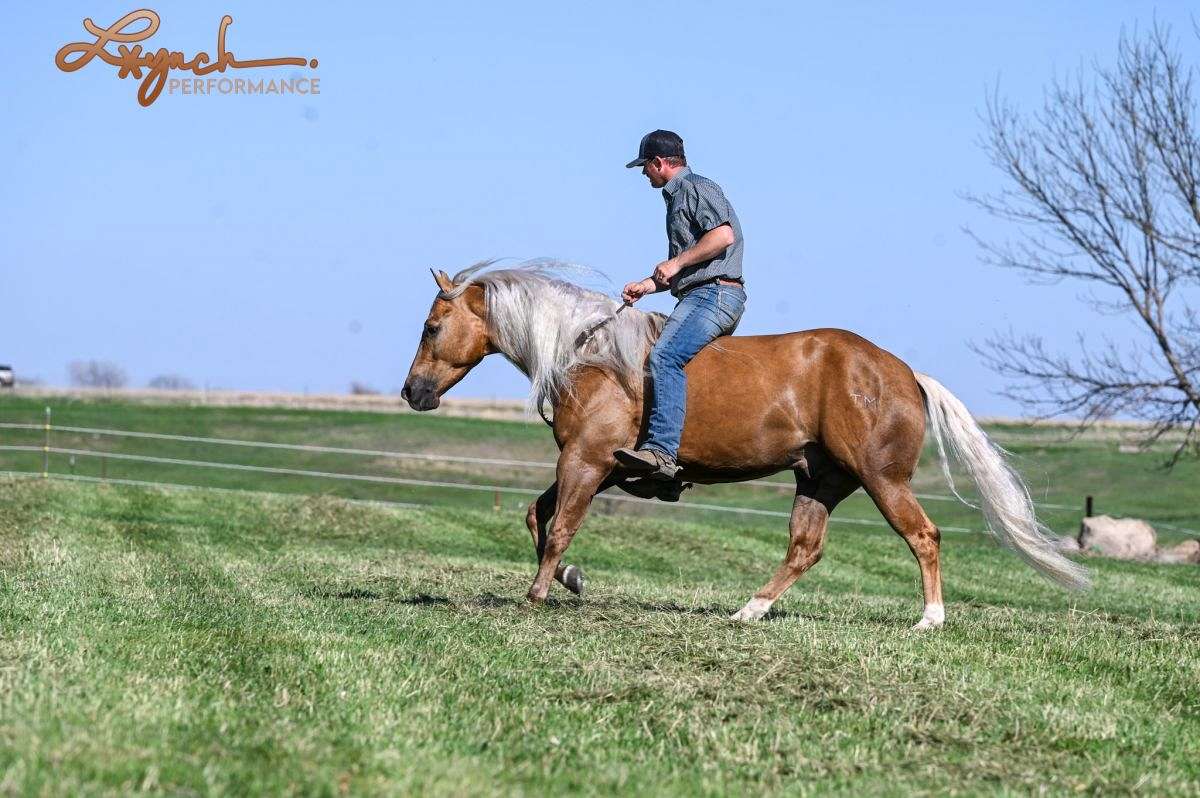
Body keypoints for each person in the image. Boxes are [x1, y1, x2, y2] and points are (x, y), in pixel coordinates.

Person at [613, 130, 746, 480]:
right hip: (698, 293)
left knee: (664, 356)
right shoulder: (677, 198)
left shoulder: (695, 188)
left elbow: (722, 236)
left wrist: (676, 263)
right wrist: (647, 284)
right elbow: (686, 265)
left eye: (645, 167)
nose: (644, 174)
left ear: (659, 163)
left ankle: (662, 453)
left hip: (714, 295)